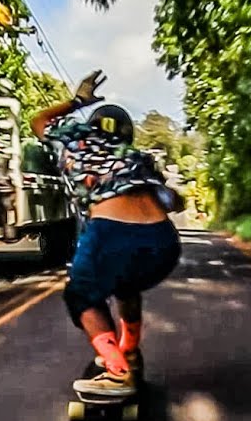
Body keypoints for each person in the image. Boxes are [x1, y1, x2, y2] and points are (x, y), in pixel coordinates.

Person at [31, 70, 183, 396]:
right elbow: (173, 201)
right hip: (164, 242)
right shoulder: (137, 156)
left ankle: (117, 371)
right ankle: (129, 351)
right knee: (126, 285)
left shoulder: (71, 137)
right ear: (127, 134)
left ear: (92, 126)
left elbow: (38, 120)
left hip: (111, 232)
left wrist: (77, 101)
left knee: (82, 295)